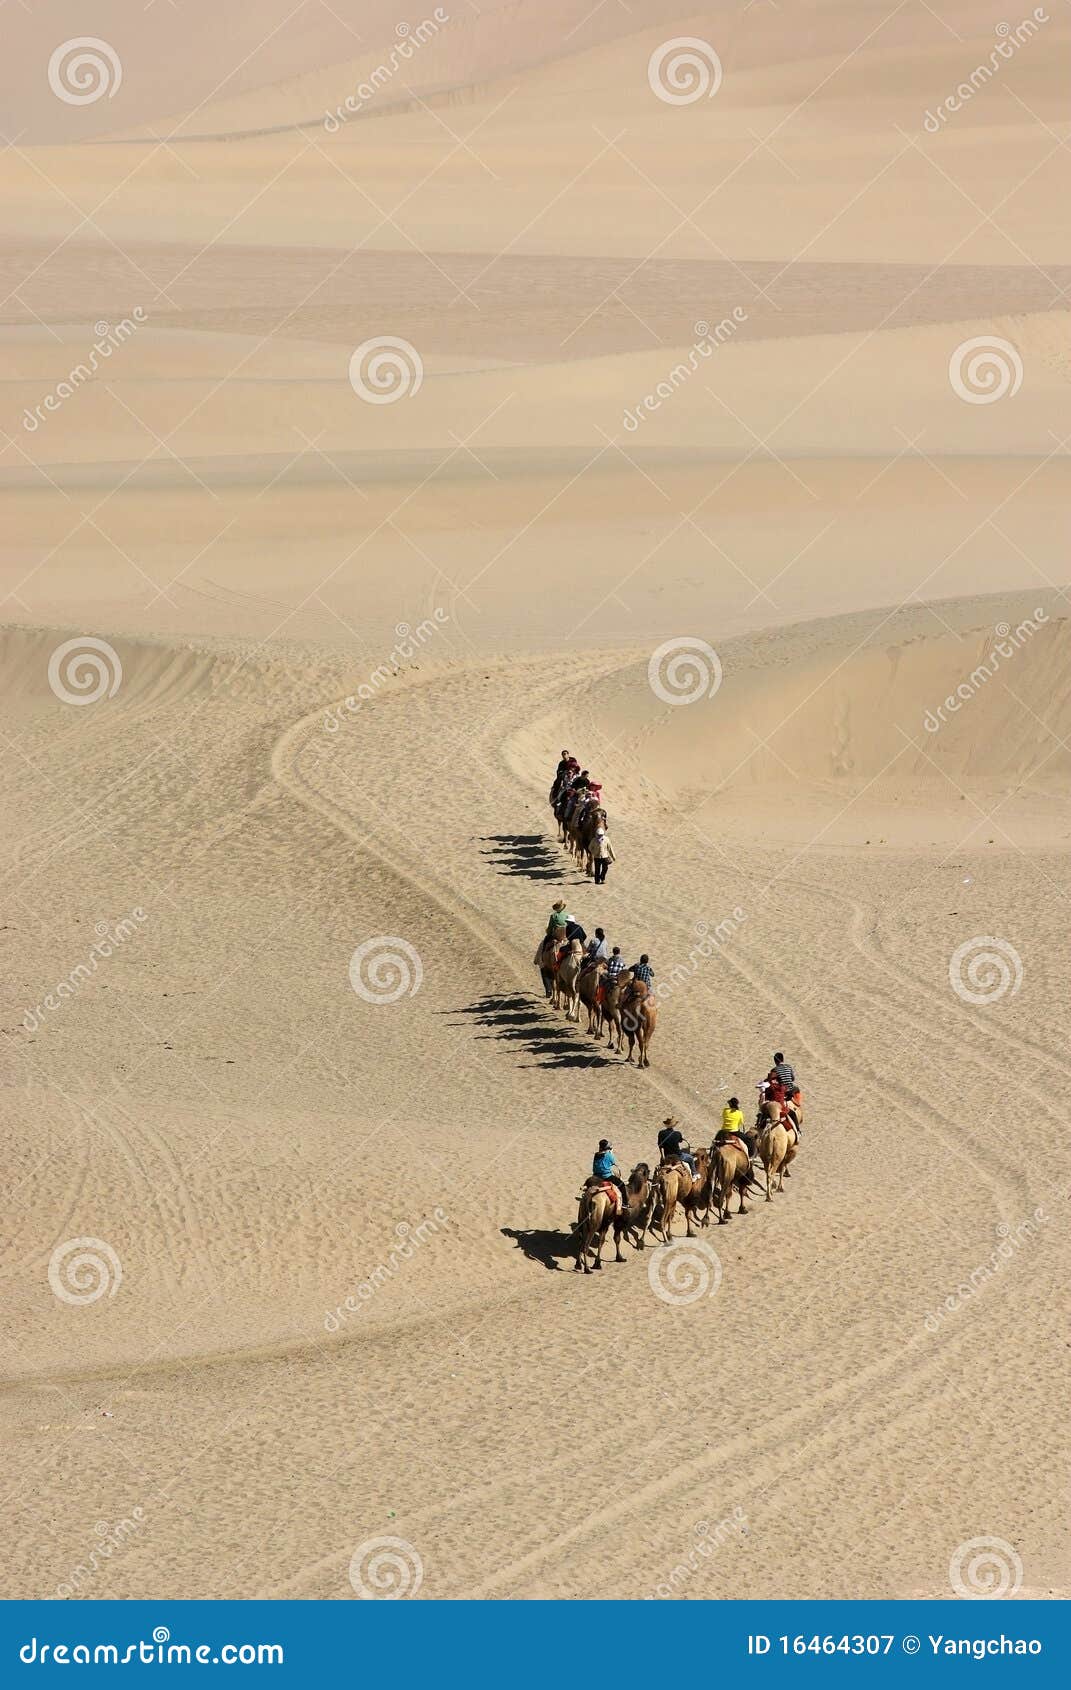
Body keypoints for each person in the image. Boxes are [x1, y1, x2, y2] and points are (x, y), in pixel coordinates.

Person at [591, 1138, 628, 1210]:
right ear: (607, 1148)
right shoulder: (609, 1155)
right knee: (622, 1185)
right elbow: (613, 1162)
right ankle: (625, 1203)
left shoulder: (596, 1155)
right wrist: (611, 1153)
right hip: (606, 1176)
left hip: (596, 1176)